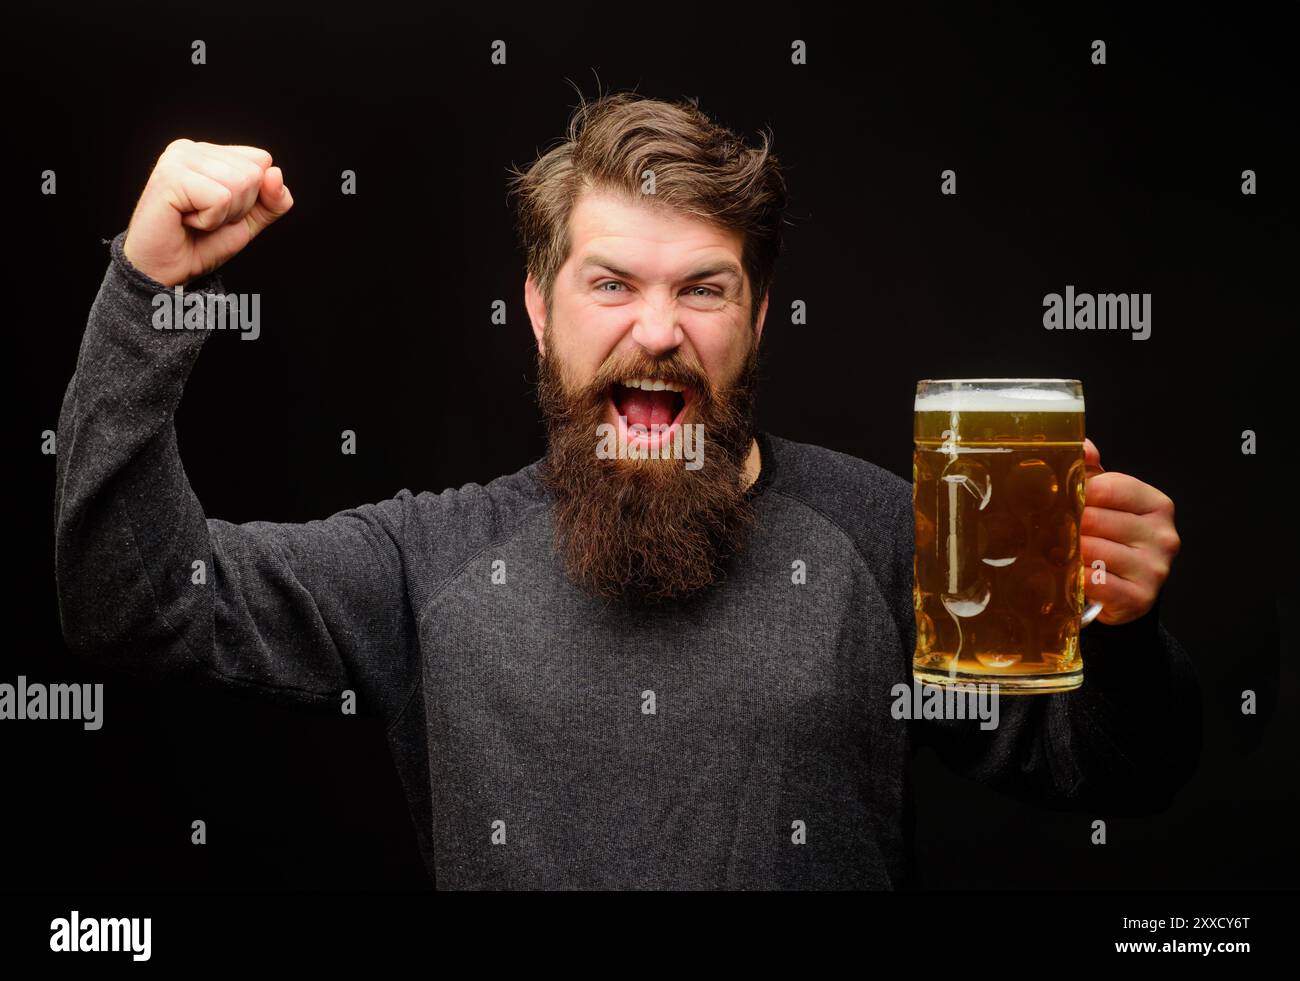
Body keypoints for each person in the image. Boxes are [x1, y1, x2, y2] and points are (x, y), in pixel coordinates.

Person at [54, 92, 1200, 889]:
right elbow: (131, 598)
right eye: (611, 283)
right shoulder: (427, 565)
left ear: (754, 323)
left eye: (703, 290)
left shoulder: (885, 537)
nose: (657, 331)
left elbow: (1113, 772)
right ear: (540, 309)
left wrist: (1126, 629)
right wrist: (147, 290)